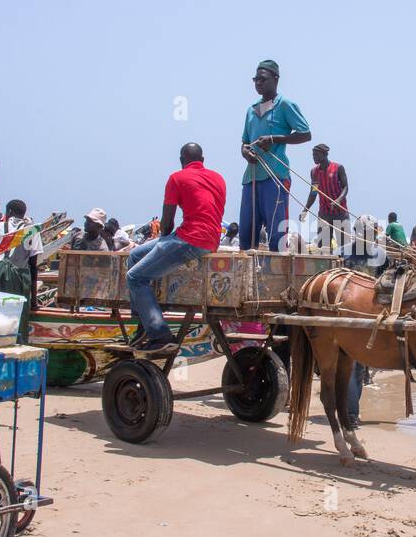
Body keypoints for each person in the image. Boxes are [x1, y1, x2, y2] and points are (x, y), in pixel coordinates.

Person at [126, 143, 226, 353]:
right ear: (203, 159)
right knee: (134, 255)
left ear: (182, 160)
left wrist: (163, 242)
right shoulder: (218, 178)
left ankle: (159, 334)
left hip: (189, 239)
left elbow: (167, 223)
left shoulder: (176, 178)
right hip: (211, 241)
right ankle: (144, 323)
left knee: (135, 277)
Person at [240, 60, 311, 251]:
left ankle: (277, 278)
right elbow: (244, 142)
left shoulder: (285, 105)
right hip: (251, 177)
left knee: (276, 233)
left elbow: (305, 134)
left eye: (263, 79)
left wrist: (274, 139)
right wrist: (245, 152)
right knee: (247, 232)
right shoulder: (250, 110)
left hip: (275, 176)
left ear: (276, 79)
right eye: (255, 79)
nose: (258, 83)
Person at [0, 199, 42, 317]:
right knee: (17, 315)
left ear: (9, 211)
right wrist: (33, 301)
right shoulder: (32, 230)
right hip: (20, 276)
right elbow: (33, 265)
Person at [301, 143, 349, 251]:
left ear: (324, 154)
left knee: (344, 247)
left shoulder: (338, 168)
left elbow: (345, 187)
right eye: (313, 155)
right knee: (323, 247)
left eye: (316, 155)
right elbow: (313, 193)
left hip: (340, 212)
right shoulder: (314, 172)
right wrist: (305, 210)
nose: (314, 157)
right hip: (324, 213)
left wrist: (338, 200)